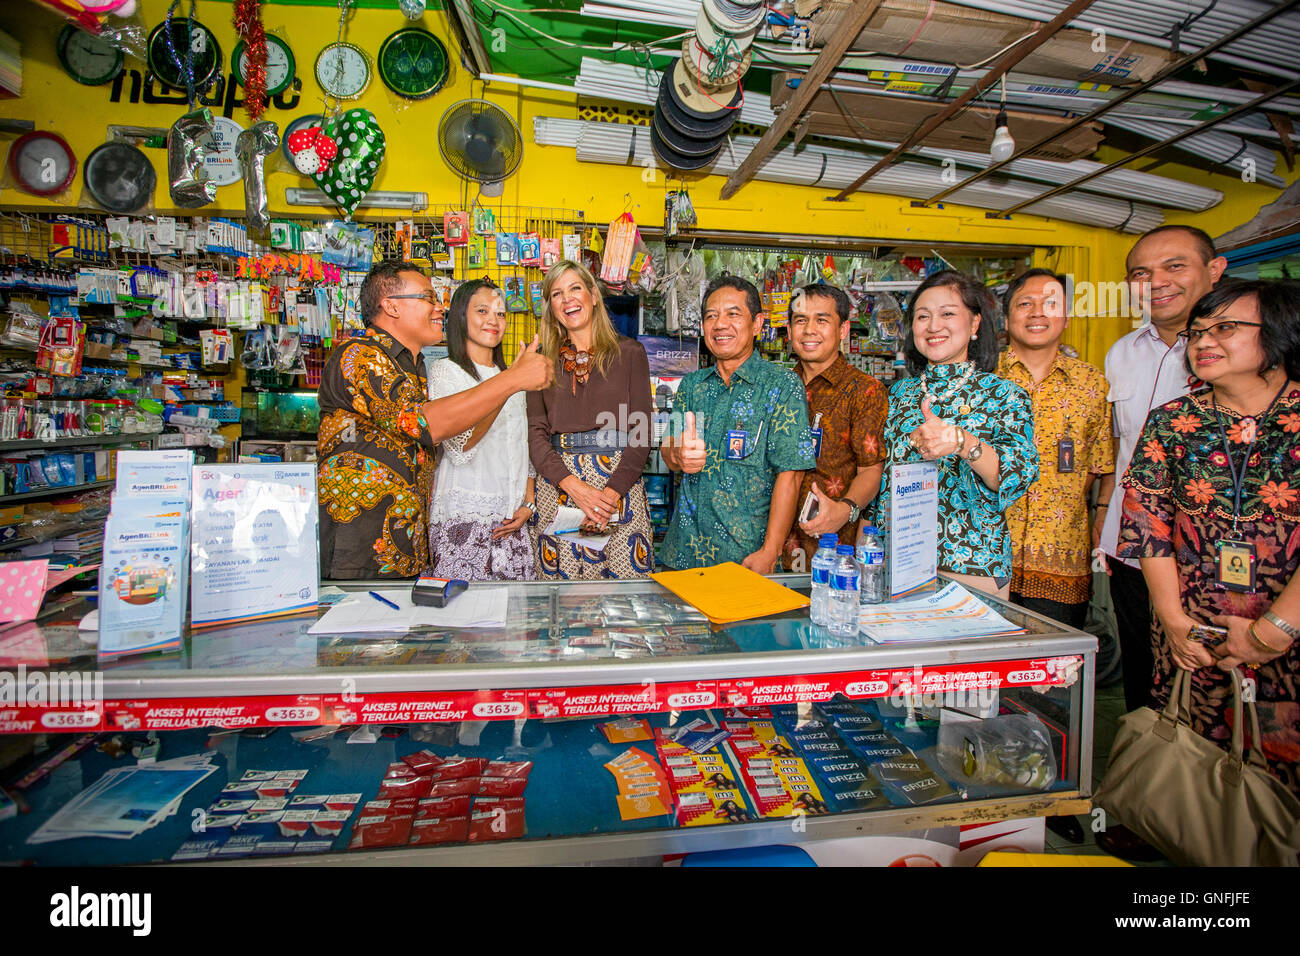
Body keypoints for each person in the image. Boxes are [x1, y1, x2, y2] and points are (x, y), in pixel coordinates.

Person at [1118, 278, 1300, 800]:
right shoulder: (1173, 422)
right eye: (1197, 332)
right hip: (1192, 636)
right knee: (1193, 770)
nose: (1203, 342)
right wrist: (1175, 624)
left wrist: (1272, 633)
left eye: (1224, 328)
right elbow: (1147, 528)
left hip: (1288, 640)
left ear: (1281, 333)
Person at [317, 260, 554, 579]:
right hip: (361, 550)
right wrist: (512, 380)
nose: (440, 306)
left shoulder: (412, 371)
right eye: (428, 297)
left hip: (408, 548)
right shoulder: (361, 356)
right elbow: (427, 425)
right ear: (391, 306)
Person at [1097, 225, 1227, 713]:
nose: (1157, 282)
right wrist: (1104, 512)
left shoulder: (1244, 358)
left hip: (1208, 557)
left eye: (1175, 266)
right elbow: (1118, 447)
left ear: (1214, 271)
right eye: (1141, 273)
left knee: (1207, 685)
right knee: (1141, 673)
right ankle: (1144, 778)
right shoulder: (1121, 354)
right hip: (1128, 547)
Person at [878, 270, 1038, 598]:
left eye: (948, 313)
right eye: (923, 316)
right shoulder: (897, 394)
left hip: (971, 566)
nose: (934, 326)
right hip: (898, 562)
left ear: (975, 324)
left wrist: (961, 441)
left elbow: (1014, 476)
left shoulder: (1005, 395)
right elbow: (881, 482)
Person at [660, 275, 817, 572]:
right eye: (711, 316)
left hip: (746, 559)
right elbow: (668, 448)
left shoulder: (782, 385)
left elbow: (791, 475)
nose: (720, 324)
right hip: (682, 557)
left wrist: (770, 551)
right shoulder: (692, 385)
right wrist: (678, 454)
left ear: (757, 324)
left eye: (733, 314)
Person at [997, 269, 1114, 629]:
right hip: (986, 556)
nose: (1037, 313)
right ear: (1006, 318)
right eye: (1025, 304)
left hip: (1062, 555)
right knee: (982, 674)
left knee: (1053, 676)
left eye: (1049, 304)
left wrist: (1096, 515)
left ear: (1065, 316)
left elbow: (1100, 462)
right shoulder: (983, 376)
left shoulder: (1091, 382)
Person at [527, 259, 655, 579]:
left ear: (593, 295)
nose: (567, 298)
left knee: (624, 601)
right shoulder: (539, 361)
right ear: (551, 307)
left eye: (575, 288)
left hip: (617, 489)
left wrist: (609, 495)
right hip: (561, 487)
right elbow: (535, 434)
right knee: (568, 600)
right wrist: (574, 487)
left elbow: (641, 432)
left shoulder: (630, 353)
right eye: (556, 294)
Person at [426, 279, 536, 580]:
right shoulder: (446, 371)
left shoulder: (510, 376)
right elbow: (461, 446)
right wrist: (510, 383)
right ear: (461, 317)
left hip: (512, 522)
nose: (493, 320)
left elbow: (520, 445)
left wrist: (528, 502)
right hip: (466, 518)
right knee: (464, 621)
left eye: (500, 314)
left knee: (516, 622)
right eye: (483, 311)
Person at [781, 283, 888, 572]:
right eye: (801, 320)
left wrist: (845, 509)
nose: (809, 330)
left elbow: (871, 470)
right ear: (789, 331)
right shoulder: (776, 388)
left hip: (830, 550)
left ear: (843, 330)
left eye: (822, 320)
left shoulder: (865, 391)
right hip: (772, 548)